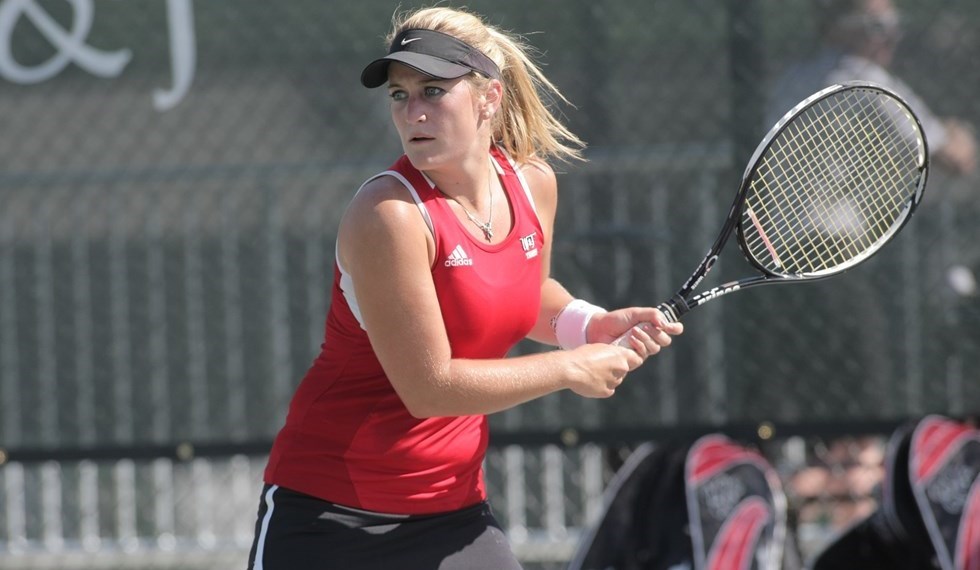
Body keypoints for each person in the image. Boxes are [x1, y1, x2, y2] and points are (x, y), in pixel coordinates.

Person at [246, 6, 683, 569]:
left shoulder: (533, 184)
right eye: (400, 95)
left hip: (453, 512)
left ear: (488, 98)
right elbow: (429, 388)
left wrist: (588, 323)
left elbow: (522, 294)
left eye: (433, 90)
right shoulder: (389, 214)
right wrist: (570, 367)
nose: (413, 112)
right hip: (331, 518)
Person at [768, 0, 976, 176]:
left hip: (781, 212)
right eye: (877, 27)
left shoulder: (792, 77)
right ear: (839, 29)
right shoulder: (869, 82)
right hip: (842, 214)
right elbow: (955, 158)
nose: (892, 36)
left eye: (895, 24)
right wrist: (955, 132)